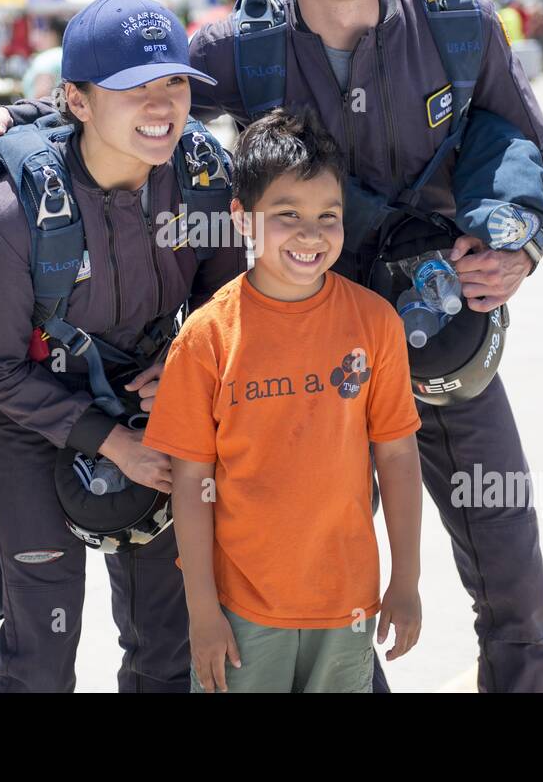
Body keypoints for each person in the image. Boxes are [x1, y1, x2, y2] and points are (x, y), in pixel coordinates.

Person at [0, 0, 543, 694]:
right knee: (316, 585)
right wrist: (8, 123)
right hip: (314, 356)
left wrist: (521, 243)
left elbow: (526, 136)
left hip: (440, 333)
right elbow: (129, 89)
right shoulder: (249, 44)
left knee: (516, 584)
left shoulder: (454, 22)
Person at [0, 0, 245, 691]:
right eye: (132, 89)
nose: (162, 106)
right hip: (37, 418)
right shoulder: (12, 217)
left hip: (160, 406)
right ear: (78, 102)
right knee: (42, 652)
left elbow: (228, 304)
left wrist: (188, 363)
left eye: (175, 82)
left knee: (166, 641)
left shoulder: (205, 183)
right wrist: (109, 440)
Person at [144, 110, 422, 693]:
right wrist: (201, 614)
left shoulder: (374, 323)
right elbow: (192, 485)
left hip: (346, 603)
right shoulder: (206, 337)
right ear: (243, 219)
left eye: (328, 216)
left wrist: (407, 580)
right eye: (287, 215)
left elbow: (397, 459)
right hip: (241, 610)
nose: (311, 234)